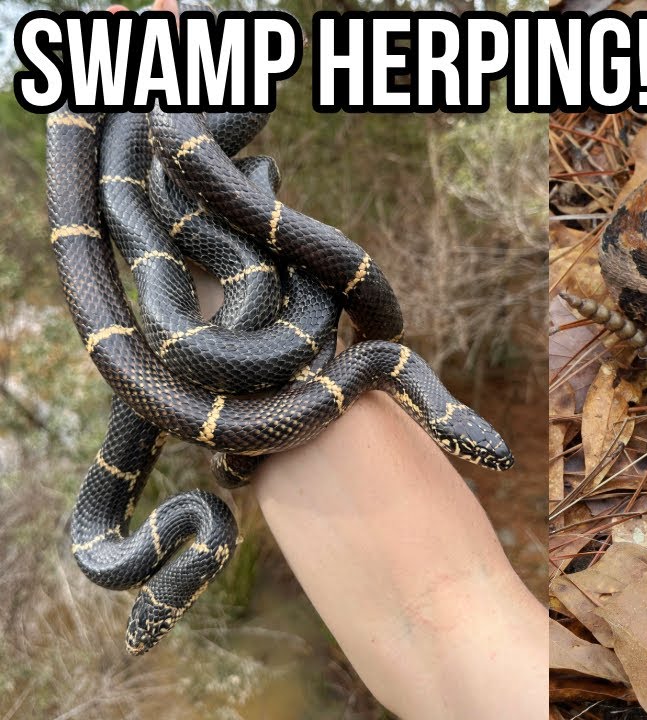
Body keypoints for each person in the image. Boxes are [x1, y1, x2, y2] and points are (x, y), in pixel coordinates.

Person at [99, 1, 546, 715]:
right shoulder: (200, 526)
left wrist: (233, 414)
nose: (481, 455)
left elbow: (453, 634)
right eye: (474, 450)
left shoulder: (369, 366)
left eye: (477, 451)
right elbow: (454, 632)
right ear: (444, 427)